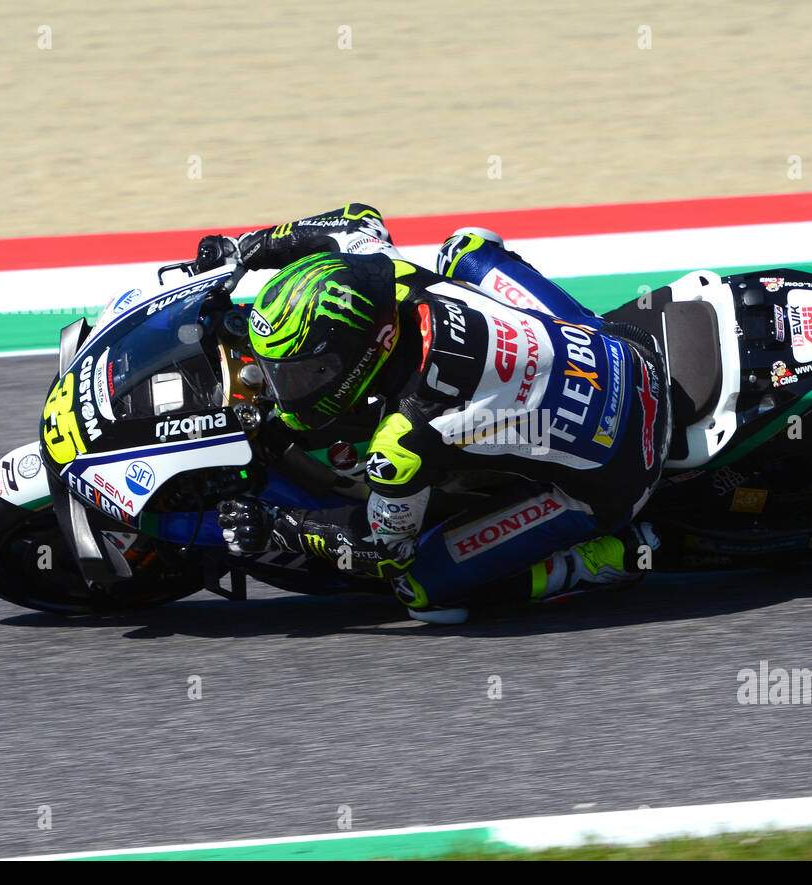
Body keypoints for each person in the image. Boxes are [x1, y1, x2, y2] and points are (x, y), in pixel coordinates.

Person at [196, 203, 671, 622]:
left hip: (623, 473)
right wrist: (246, 250)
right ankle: (590, 328)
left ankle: (599, 561)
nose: (287, 388)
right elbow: (356, 219)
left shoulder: (403, 439)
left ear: (363, 351)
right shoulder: (391, 272)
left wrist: (282, 528)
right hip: (628, 350)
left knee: (420, 590)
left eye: (305, 372)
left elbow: (386, 554)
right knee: (466, 247)